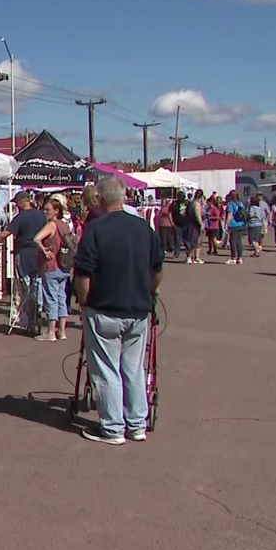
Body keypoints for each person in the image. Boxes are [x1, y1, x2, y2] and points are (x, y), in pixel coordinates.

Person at [72, 176, 163, 445]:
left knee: (106, 369)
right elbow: (157, 268)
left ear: (99, 198)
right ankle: (136, 424)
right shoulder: (143, 228)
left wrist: (84, 301)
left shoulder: (95, 230)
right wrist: (151, 291)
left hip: (104, 308)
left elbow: (83, 273)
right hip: (137, 309)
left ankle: (112, 428)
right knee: (133, 368)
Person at [0, 191, 47, 332]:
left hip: (24, 252)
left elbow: (6, 233)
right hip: (38, 252)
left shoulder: (20, 217)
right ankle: (37, 309)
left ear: (21, 202)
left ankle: (32, 314)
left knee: (25, 284)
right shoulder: (40, 215)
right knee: (37, 282)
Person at [33, 197, 71, 342]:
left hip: (51, 266)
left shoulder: (51, 225)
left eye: (48, 209)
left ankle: (50, 331)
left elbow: (36, 238)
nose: (45, 212)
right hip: (64, 266)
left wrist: (43, 249)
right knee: (61, 297)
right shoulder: (64, 225)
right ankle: (61, 331)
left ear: (56, 211)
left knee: (51, 298)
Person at [225, 191, 247, 265]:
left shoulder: (231, 204)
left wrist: (227, 223)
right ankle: (239, 258)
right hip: (241, 224)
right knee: (239, 241)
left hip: (233, 224)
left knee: (233, 241)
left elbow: (230, 214)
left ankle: (233, 258)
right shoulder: (240, 203)